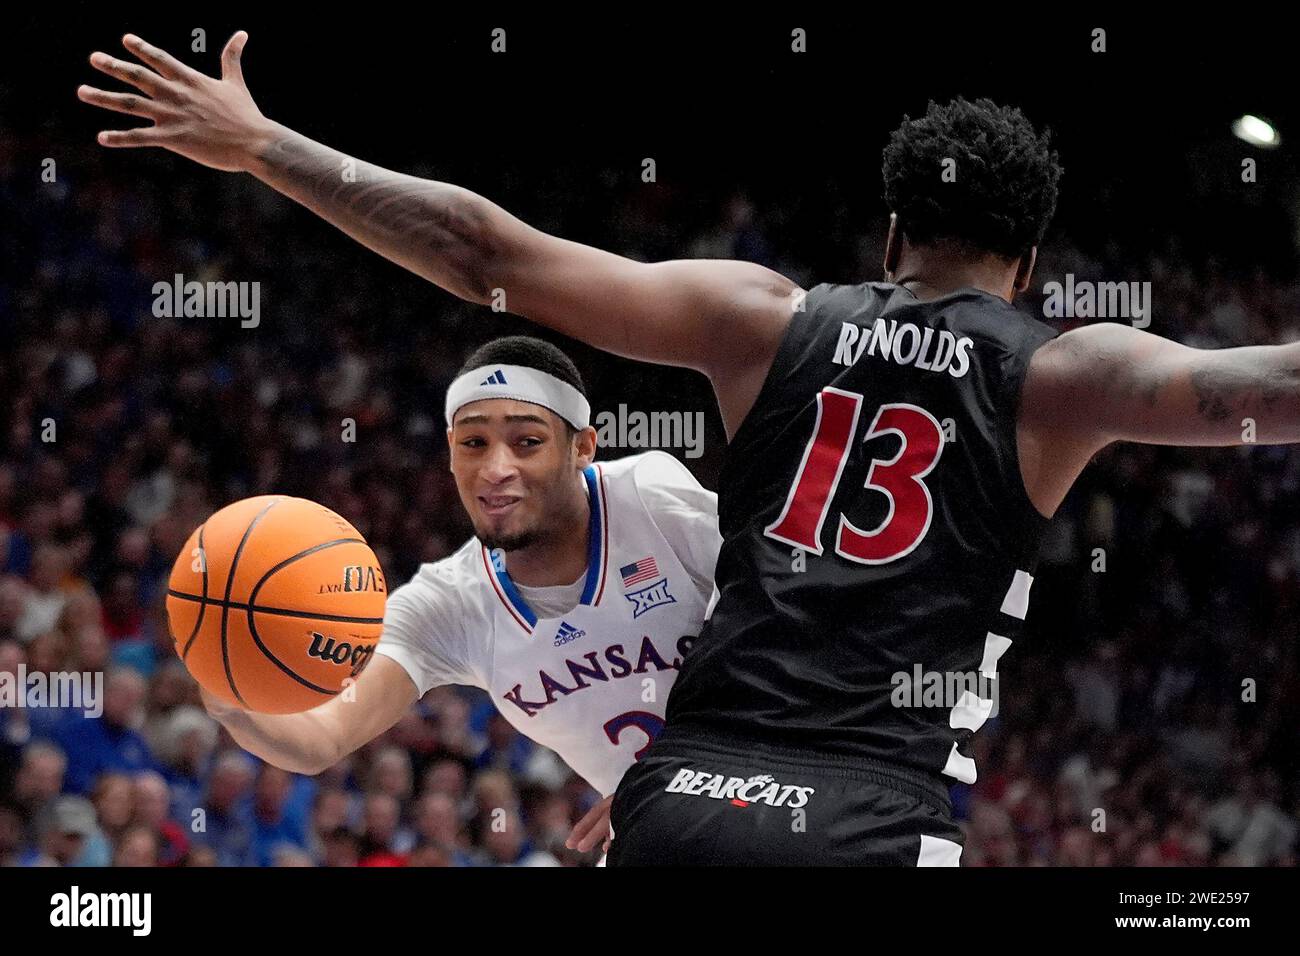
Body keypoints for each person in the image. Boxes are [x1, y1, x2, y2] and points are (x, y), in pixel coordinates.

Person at [80, 33, 1300, 865]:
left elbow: (480, 251)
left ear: (889, 234)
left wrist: (266, 147)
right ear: (1027, 264)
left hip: (684, 796)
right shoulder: (1059, 373)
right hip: (865, 806)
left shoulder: (759, 318)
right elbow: (1273, 388)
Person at [196, 335, 717, 857]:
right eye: (473, 444)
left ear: (582, 447)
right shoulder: (446, 603)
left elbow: (789, 620)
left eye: (527, 442)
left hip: (766, 784)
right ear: (450, 455)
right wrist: (234, 702)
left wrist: (678, 771)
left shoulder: (648, 497)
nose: (495, 469)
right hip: (656, 831)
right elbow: (322, 739)